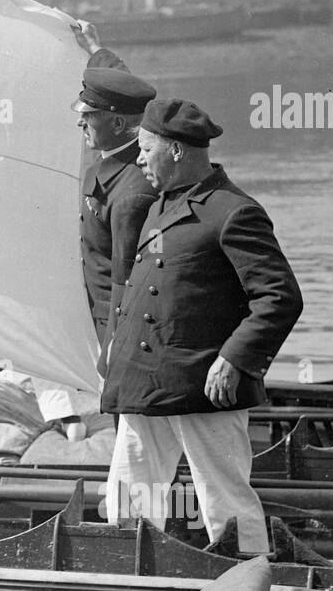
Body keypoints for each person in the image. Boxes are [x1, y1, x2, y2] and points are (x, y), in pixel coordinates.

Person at [100, 98, 303, 555]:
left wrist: (234, 358)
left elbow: (280, 297)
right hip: (145, 382)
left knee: (224, 498)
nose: (138, 159)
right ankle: (123, 574)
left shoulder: (233, 211)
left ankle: (248, 578)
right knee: (129, 495)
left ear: (174, 150)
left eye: (146, 149)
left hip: (204, 384)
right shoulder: (159, 206)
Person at [69, 20, 158, 355]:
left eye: (88, 116)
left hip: (119, 331)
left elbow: (128, 279)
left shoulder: (133, 191)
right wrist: (95, 49)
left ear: (118, 124)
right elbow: (122, 85)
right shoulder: (116, 156)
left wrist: (112, 349)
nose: (80, 122)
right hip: (99, 321)